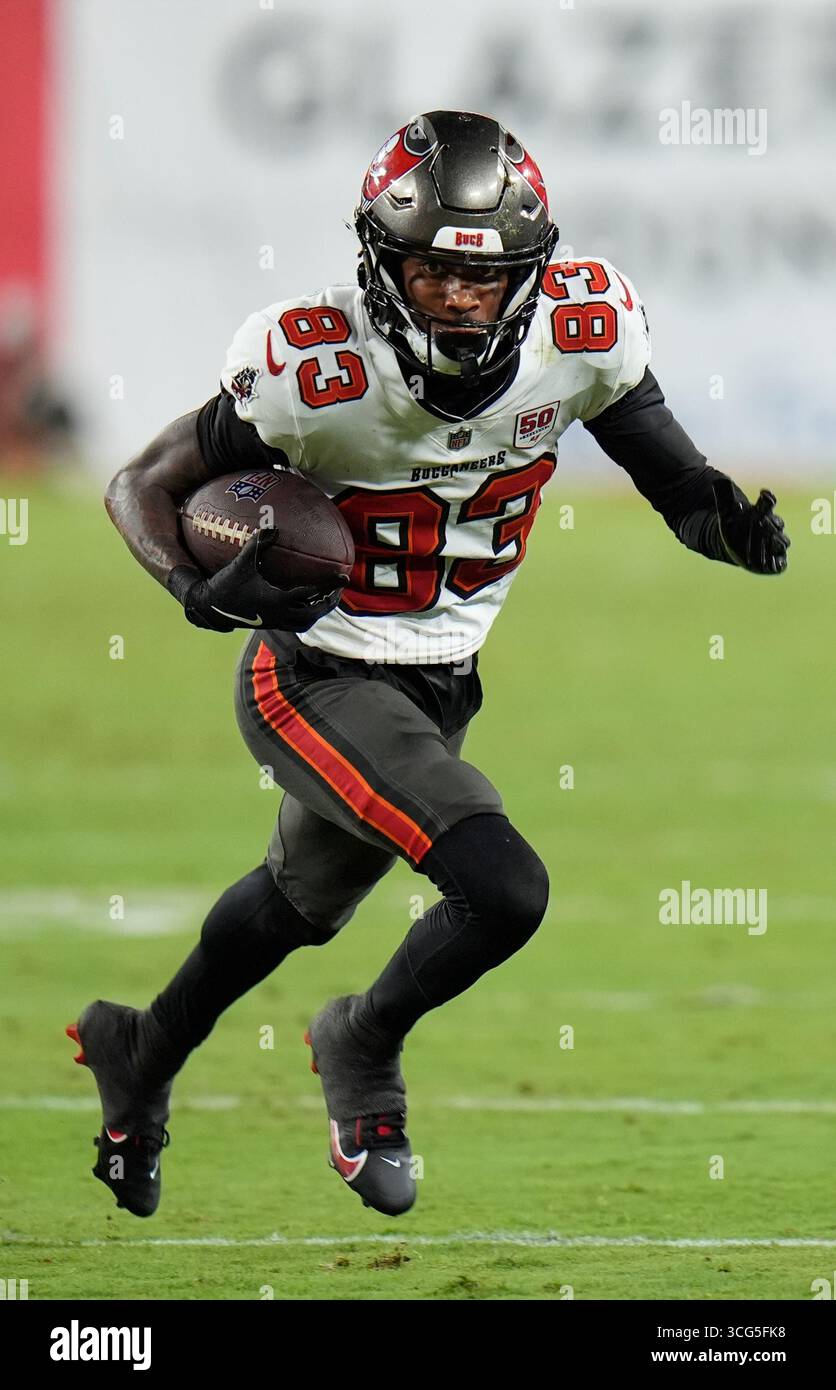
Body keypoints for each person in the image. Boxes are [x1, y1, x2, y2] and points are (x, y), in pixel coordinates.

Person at [67, 110, 789, 1220]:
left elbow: (670, 473)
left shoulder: (580, 334)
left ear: (528, 272)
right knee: (502, 887)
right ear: (379, 259)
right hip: (310, 671)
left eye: (486, 277)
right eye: (430, 272)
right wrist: (192, 588)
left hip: (444, 678)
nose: (459, 298)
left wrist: (720, 527)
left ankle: (139, 1052)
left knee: (292, 905)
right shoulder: (312, 366)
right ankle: (361, 1046)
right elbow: (138, 485)